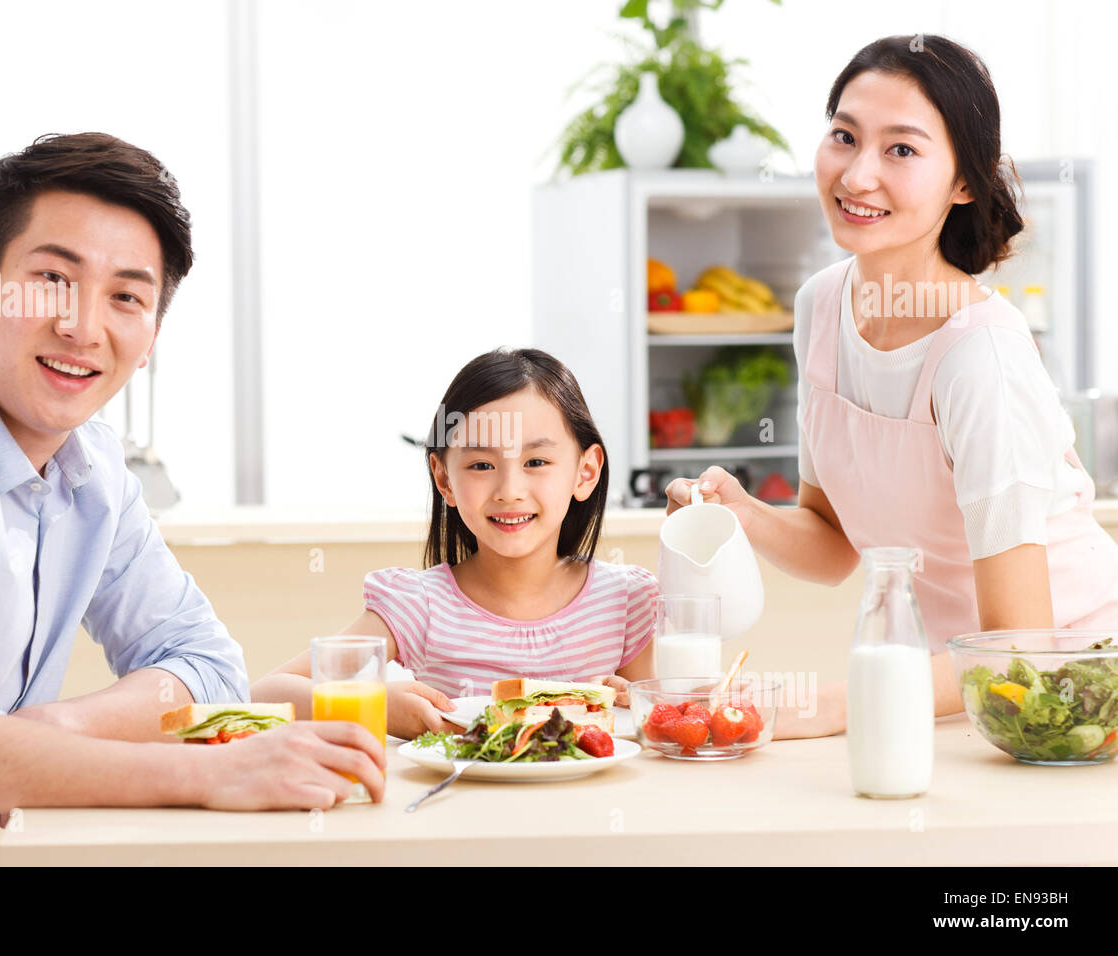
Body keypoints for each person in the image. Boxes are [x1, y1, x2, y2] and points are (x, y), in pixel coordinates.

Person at [0, 132, 384, 867]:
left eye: (125, 296)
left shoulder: (94, 470)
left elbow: (207, 664)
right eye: (53, 279)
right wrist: (209, 774)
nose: (83, 328)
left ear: (149, 336)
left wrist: (46, 732)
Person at [666, 36, 1118, 738]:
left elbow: (1020, 642)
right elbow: (834, 544)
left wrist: (815, 705)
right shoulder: (821, 306)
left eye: (901, 150)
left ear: (965, 181)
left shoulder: (981, 357)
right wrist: (742, 514)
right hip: (953, 690)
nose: (857, 174)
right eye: (844, 136)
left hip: (1073, 689)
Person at [252, 348, 659, 739]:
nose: (510, 490)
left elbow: (666, 726)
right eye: (482, 465)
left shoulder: (624, 600)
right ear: (444, 479)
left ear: (585, 472)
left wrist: (638, 703)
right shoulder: (419, 604)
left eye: (536, 462)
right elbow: (265, 696)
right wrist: (371, 706)